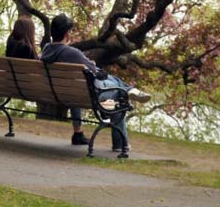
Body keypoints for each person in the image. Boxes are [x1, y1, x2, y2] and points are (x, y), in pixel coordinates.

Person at [39, 13, 150, 146]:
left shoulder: (46, 50)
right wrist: (91, 63)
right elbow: (93, 69)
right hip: (90, 93)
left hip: (63, 92)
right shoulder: (70, 52)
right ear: (67, 33)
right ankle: (120, 144)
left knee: (109, 82)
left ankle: (78, 134)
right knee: (119, 92)